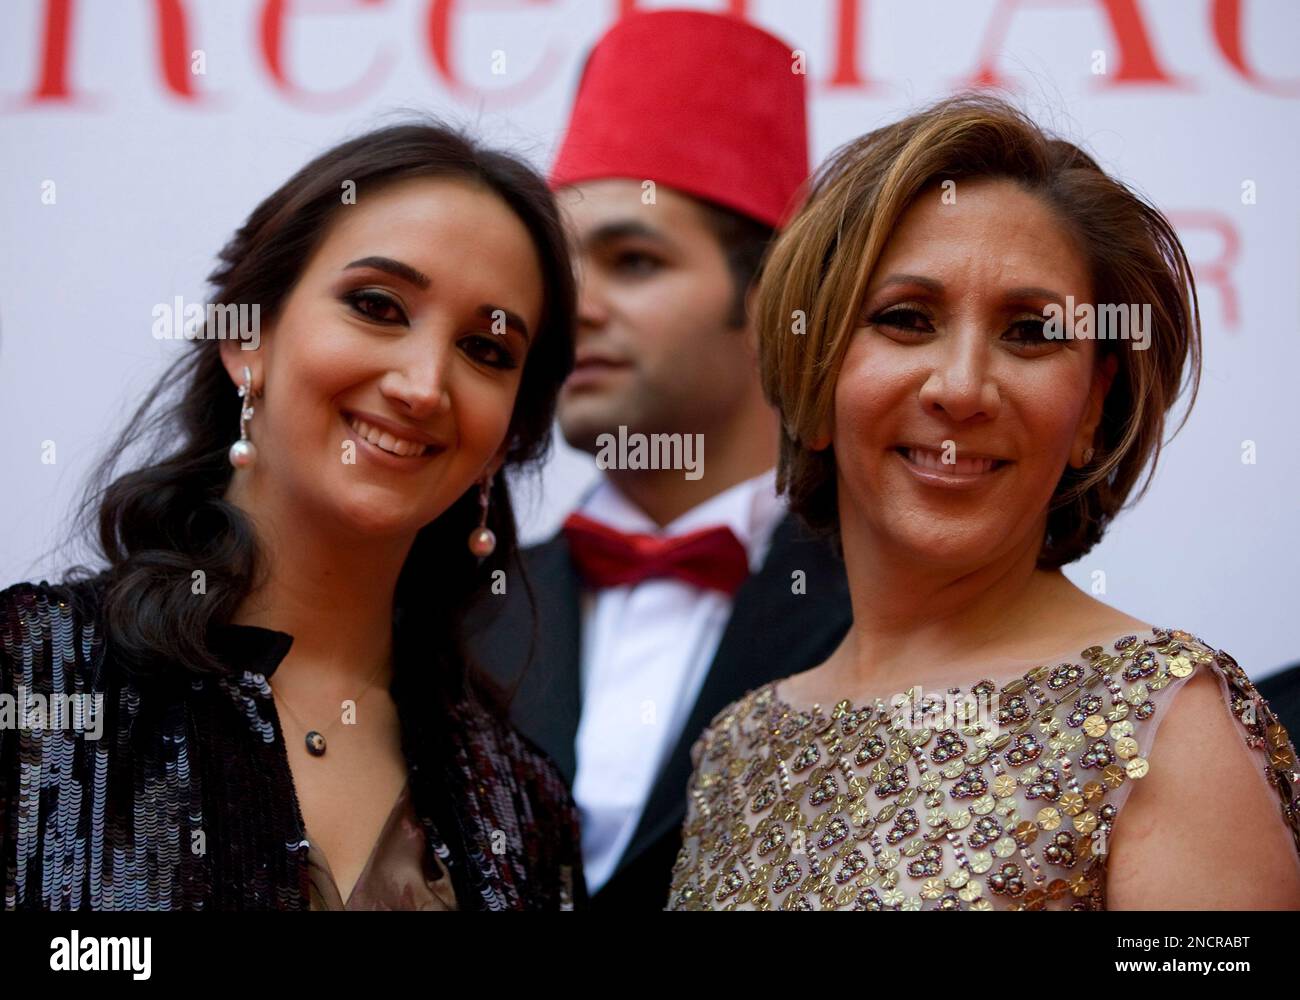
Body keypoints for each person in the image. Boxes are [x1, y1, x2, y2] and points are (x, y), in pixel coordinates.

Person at [668, 92, 1300, 911]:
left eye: (1032, 332)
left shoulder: (1166, 726)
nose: (962, 389)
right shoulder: (735, 748)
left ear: (1093, 409)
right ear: (816, 372)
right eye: (906, 319)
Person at [0, 120, 585, 910]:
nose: (422, 385)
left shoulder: (523, 804)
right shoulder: (38, 675)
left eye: (487, 350)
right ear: (249, 338)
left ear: (505, 436)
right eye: (377, 306)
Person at [466, 9, 852, 908]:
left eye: (633, 261)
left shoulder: (889, 608)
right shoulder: (449, 600)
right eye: (558, 273)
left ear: (771, 300)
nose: (576, 308)